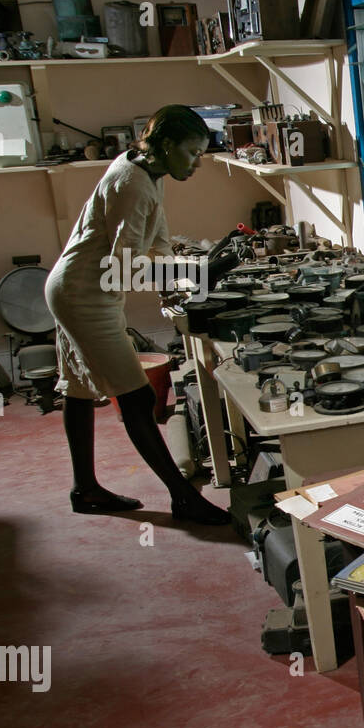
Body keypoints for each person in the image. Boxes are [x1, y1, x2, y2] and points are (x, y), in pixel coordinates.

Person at [45, 104, 229, 525]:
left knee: (77, 388)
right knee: (137, 397)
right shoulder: (135, 184)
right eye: (192, 152)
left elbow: (155, 243)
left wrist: (191, 271)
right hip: (83, 294)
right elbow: (122, 270)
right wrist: (196, 272)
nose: (198, 163)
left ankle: (85, 488)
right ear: (166, 144)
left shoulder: (147, 169)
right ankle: (182, 497)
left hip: (77, 285)